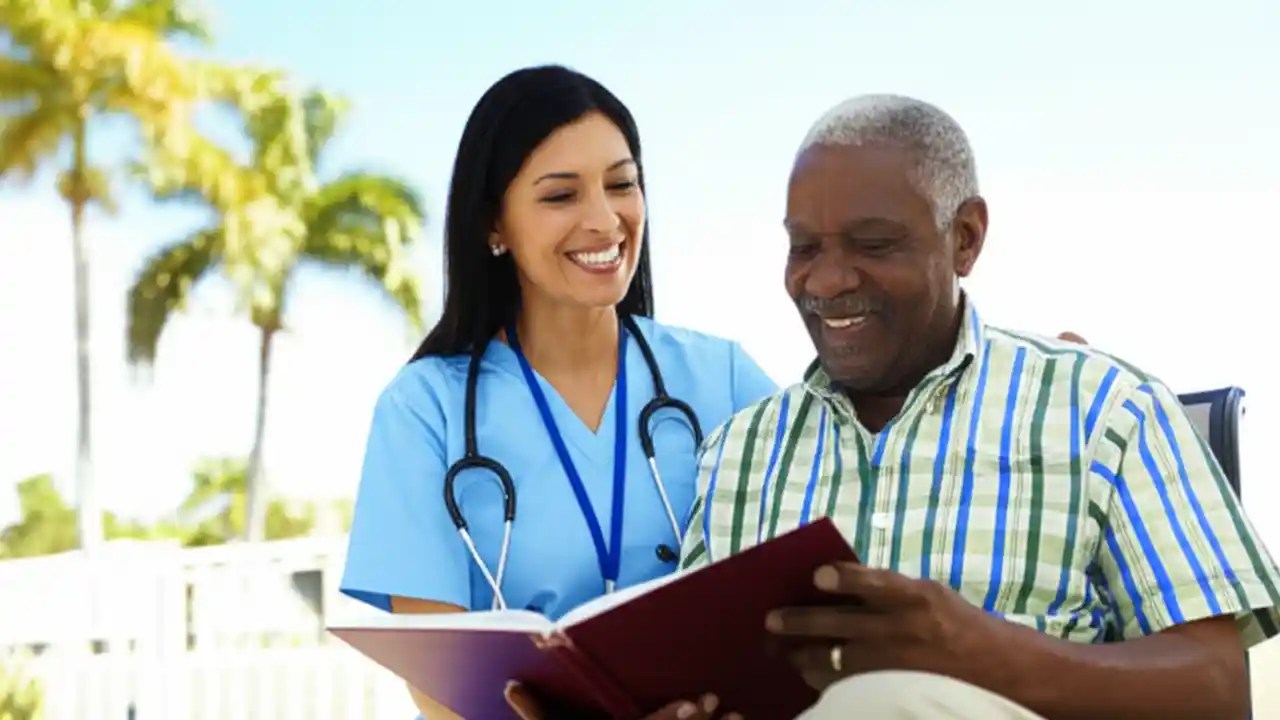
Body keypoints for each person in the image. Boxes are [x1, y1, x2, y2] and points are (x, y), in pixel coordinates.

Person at [676, 93, 1280, 719]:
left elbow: (1218, 690)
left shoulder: (1104, 411)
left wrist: (979, 652)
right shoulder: (738, 452)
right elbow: (688, 670)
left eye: (874, 244)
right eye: (804, 247)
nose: (826, 281)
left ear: (965, 240)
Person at [338, 65, 776, 719]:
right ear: (495, 224)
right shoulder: (423, 412)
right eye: (560, 196)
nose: (605, 220)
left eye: (622, 184)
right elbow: (442, 688)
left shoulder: (724, 379)